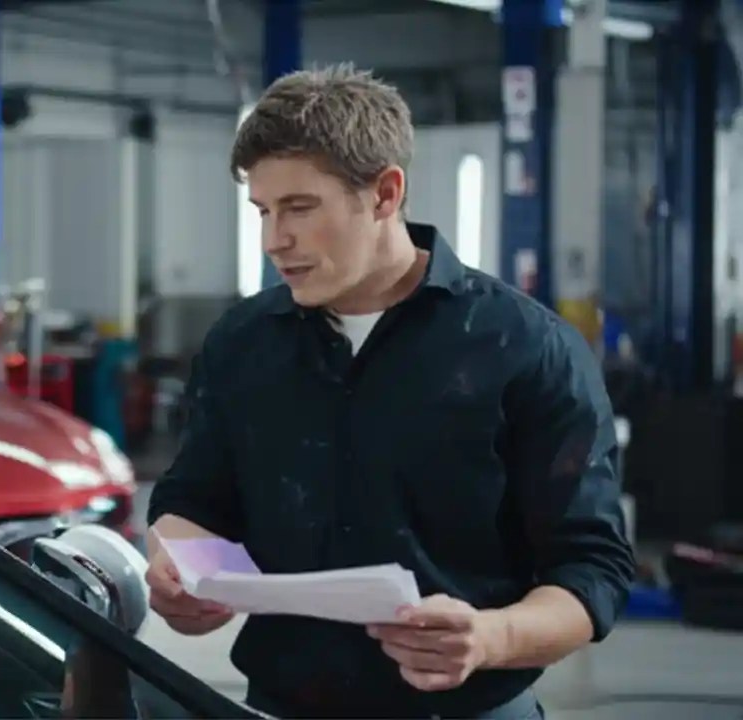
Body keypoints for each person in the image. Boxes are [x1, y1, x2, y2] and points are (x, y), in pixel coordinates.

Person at [144, 64, 635, 719]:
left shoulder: (525, 348)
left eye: (299, 207)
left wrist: (490, 638)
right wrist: (179, 575)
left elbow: (592, 569)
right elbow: (193, 500)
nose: (273, 241)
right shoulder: (243, 342)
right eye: (263, 211)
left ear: (384, 194)